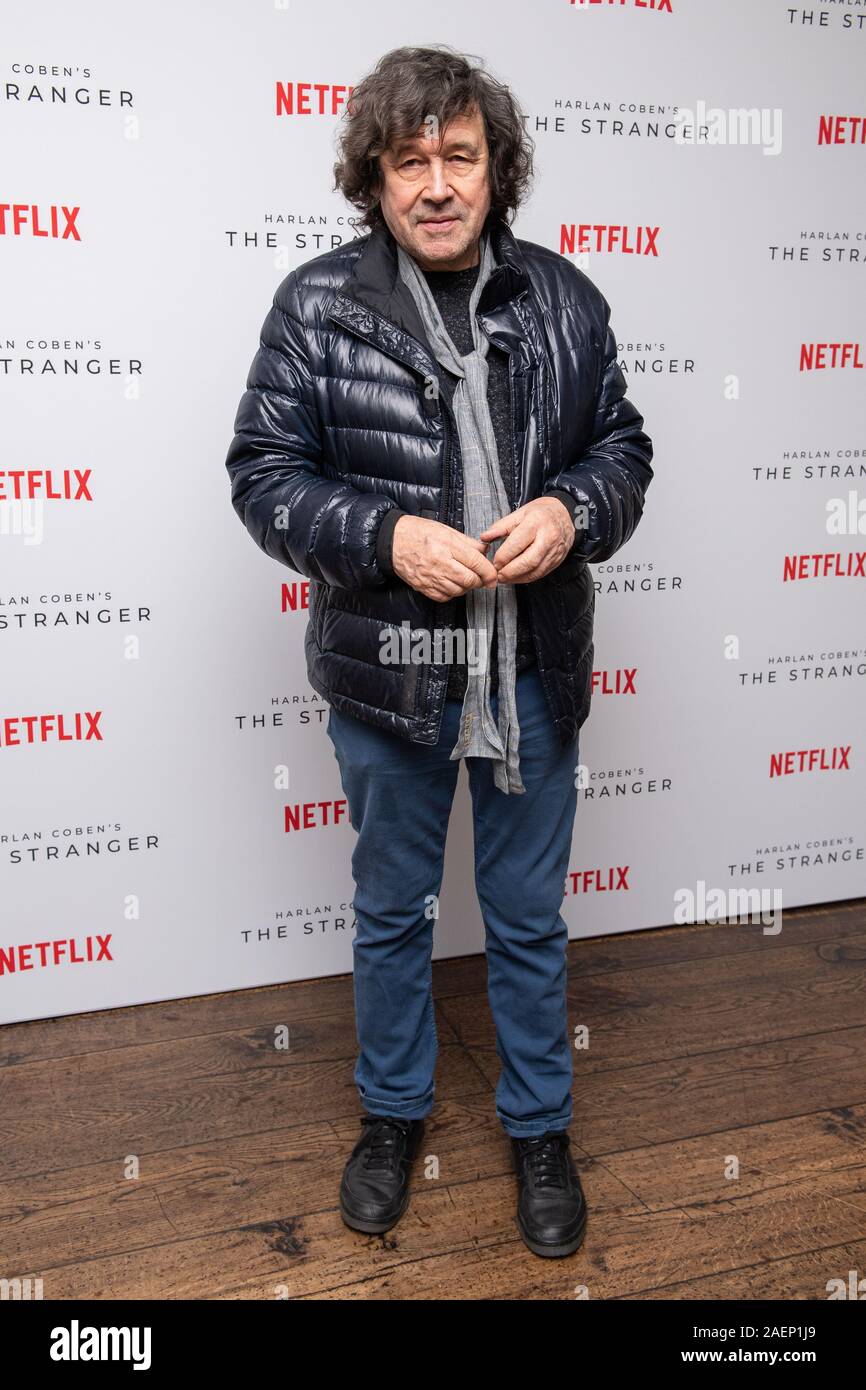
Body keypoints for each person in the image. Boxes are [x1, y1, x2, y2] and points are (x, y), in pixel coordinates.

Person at [225, 44, 653, 1259]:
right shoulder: (316, 305)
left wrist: (573, 511)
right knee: (390, 911)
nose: (434, 184)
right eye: (407, 160)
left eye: (456, 156)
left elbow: (620, 451)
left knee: (524, 919)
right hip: (387, 678)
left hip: (529, 671)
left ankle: (538, 1126)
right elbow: (263, 478)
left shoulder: (564, 299)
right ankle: (392, 1114)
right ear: (372, 175)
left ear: (493, 168)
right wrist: (383, 533)